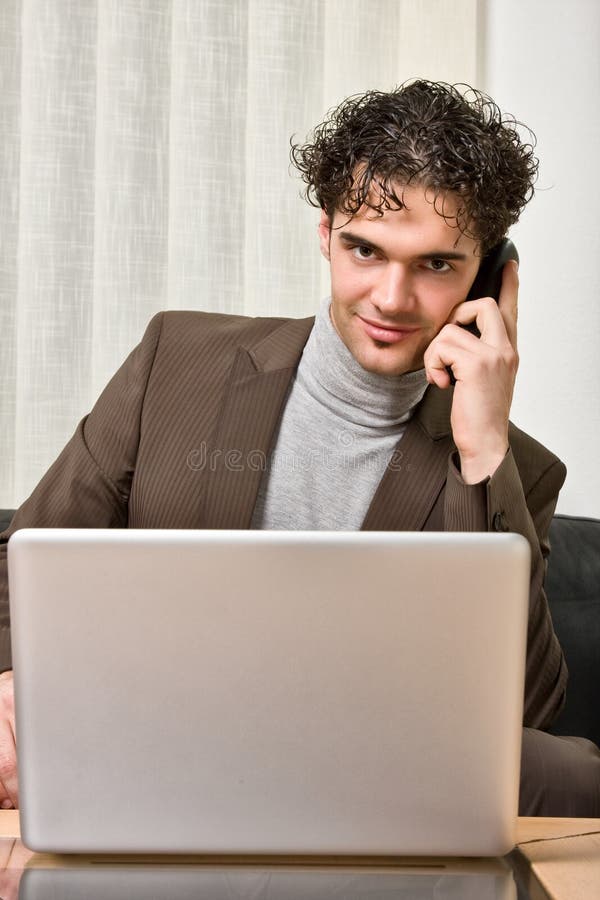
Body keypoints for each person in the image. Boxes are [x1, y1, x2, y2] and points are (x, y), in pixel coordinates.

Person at [0, 80, 599, 815]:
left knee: (568, 771)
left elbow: (525, 713)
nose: (390, 297)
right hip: (153, 748)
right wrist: (10, 685)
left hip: (363, 792)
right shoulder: (176, 360)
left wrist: (482, 447)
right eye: (365, 250)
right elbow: (23, 562)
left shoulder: (514, 470)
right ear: (326, 234)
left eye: (436, 264)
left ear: (490, 277)